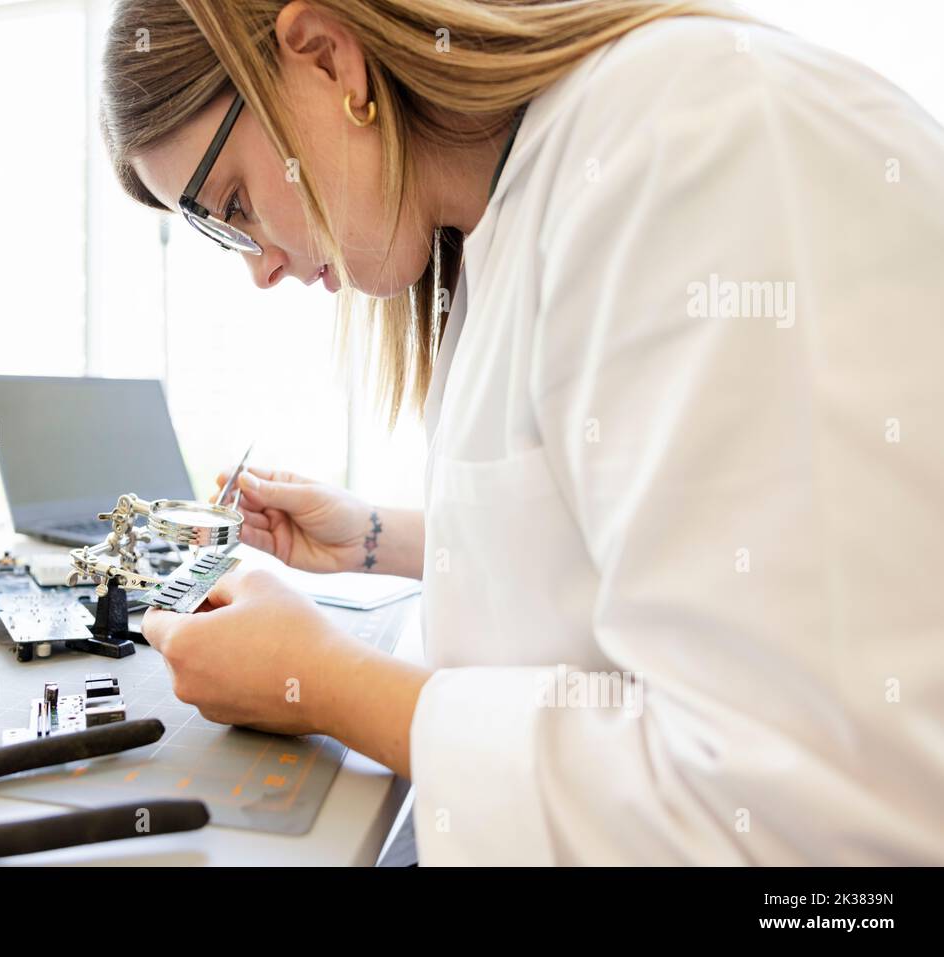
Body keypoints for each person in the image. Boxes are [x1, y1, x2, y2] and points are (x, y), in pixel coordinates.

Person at [100, 0, 944, 864]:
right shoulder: (498, 220)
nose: (260, 268)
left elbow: (799, 808)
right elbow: (626, 542)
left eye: (232, 203)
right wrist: (373, 538)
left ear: (325, 58)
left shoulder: (694, 139)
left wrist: (323, 681)